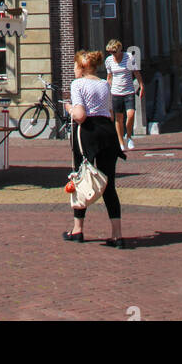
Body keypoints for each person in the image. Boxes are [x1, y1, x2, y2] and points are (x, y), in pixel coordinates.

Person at [64, 49, 125, 248]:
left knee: (80, 179)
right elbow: (108, 111)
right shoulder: (104, 85)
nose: (73, 70)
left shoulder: (77, 84)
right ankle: (117, 234)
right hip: (107, 133)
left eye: (74, 66)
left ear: (81, 67)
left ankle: (78, 229)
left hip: (88, 133)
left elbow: (81, 115)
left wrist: (69, 109)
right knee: (108, 183)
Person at [105, 38, 144, 157]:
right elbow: (109, 77)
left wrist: (142, 85)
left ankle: (129, 136)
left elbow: (136, 72)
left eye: (114, 52)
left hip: (128, 91)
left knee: (131, 114)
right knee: (119, 118)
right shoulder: (109, 61)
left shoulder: (129, 57)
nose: (113, 55)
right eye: (110, 52)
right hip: (116, 92)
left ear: (120, 49)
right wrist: (107, 90)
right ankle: (121, 142)